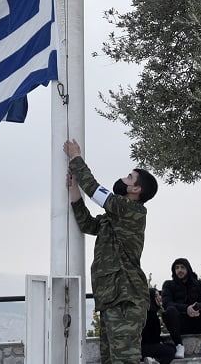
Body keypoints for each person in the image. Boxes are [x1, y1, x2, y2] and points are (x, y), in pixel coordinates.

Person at [64, 138, 158, 364]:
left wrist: (76, 158)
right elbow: (88, 225)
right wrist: (74, 191)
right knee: (109, 360)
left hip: (126, 299)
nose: (124, 179)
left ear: (136, 189)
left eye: (130, 177)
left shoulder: (130, 210)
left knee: (125, 361)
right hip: (112, 299)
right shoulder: (115, 216)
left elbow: (95, 190)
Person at [160, 257, 201, 357]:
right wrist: (186, 309)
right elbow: (167, 303)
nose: (179, 270)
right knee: (170, 311)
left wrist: (197, 307)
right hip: (180, 325)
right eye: (177, 268)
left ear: (188, 269)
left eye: (182, 267)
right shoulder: (168, 285)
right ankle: (179, 346)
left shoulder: (198, 284)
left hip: (198, 321)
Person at [141, 288, 178, 364]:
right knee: (170, 350)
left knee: (170, 347)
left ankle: (153, 360)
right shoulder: (150, 314)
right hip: (144, 348)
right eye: (157, 295)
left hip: (144, 347)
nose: (160, 297)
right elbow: (151, 337)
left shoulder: (148, 312)